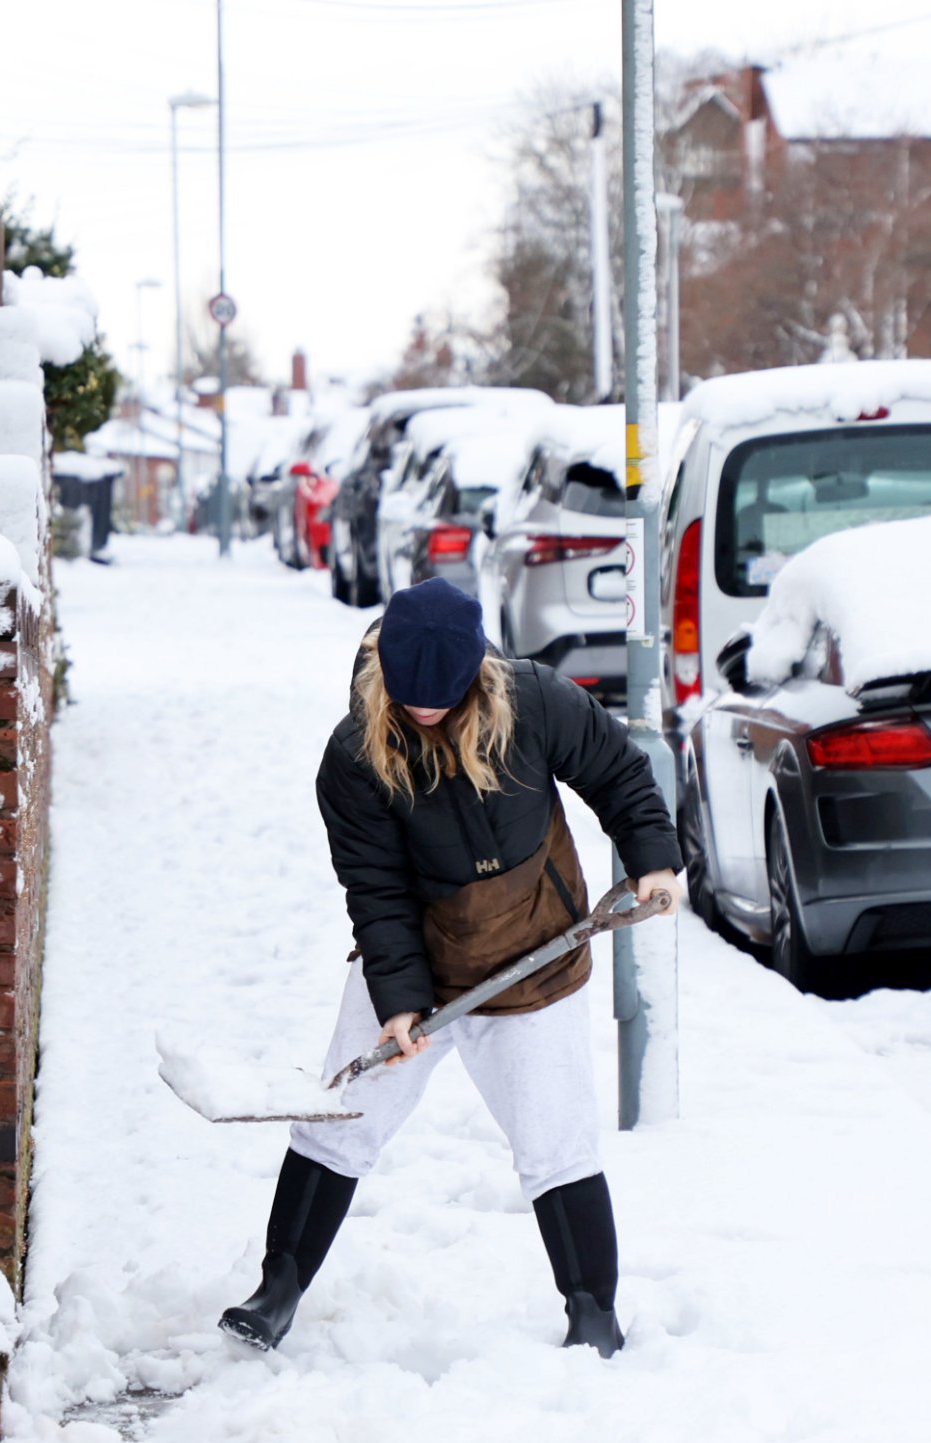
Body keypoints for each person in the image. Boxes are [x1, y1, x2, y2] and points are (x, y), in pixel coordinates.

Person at [220, 577, 680, 1358]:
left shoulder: (535, 702)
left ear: (476, 673)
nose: (423, 710)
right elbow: (376, 888)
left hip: (534, 943)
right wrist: (398, 1002)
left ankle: (592, 1313)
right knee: (340, 1119)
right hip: (418, 954)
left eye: (440, 697)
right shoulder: (354, 755)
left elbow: (617, 772)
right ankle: (278, 1289)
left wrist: (654, 860)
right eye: (408, 696)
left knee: (555, 1136)